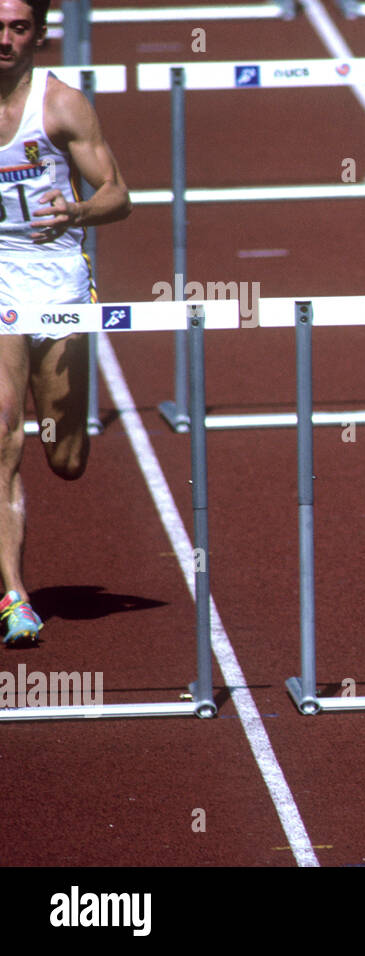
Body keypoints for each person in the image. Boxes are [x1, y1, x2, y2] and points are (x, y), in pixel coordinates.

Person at [0, 0, 131, 644]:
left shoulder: (61, 105)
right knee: (2, 431)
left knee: (65, 456)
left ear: (38, 35)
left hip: (56, 280)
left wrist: (75, 212)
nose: (4, 39)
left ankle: (72, 413)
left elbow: (117, 194)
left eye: (17, 27)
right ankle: (15, 597)